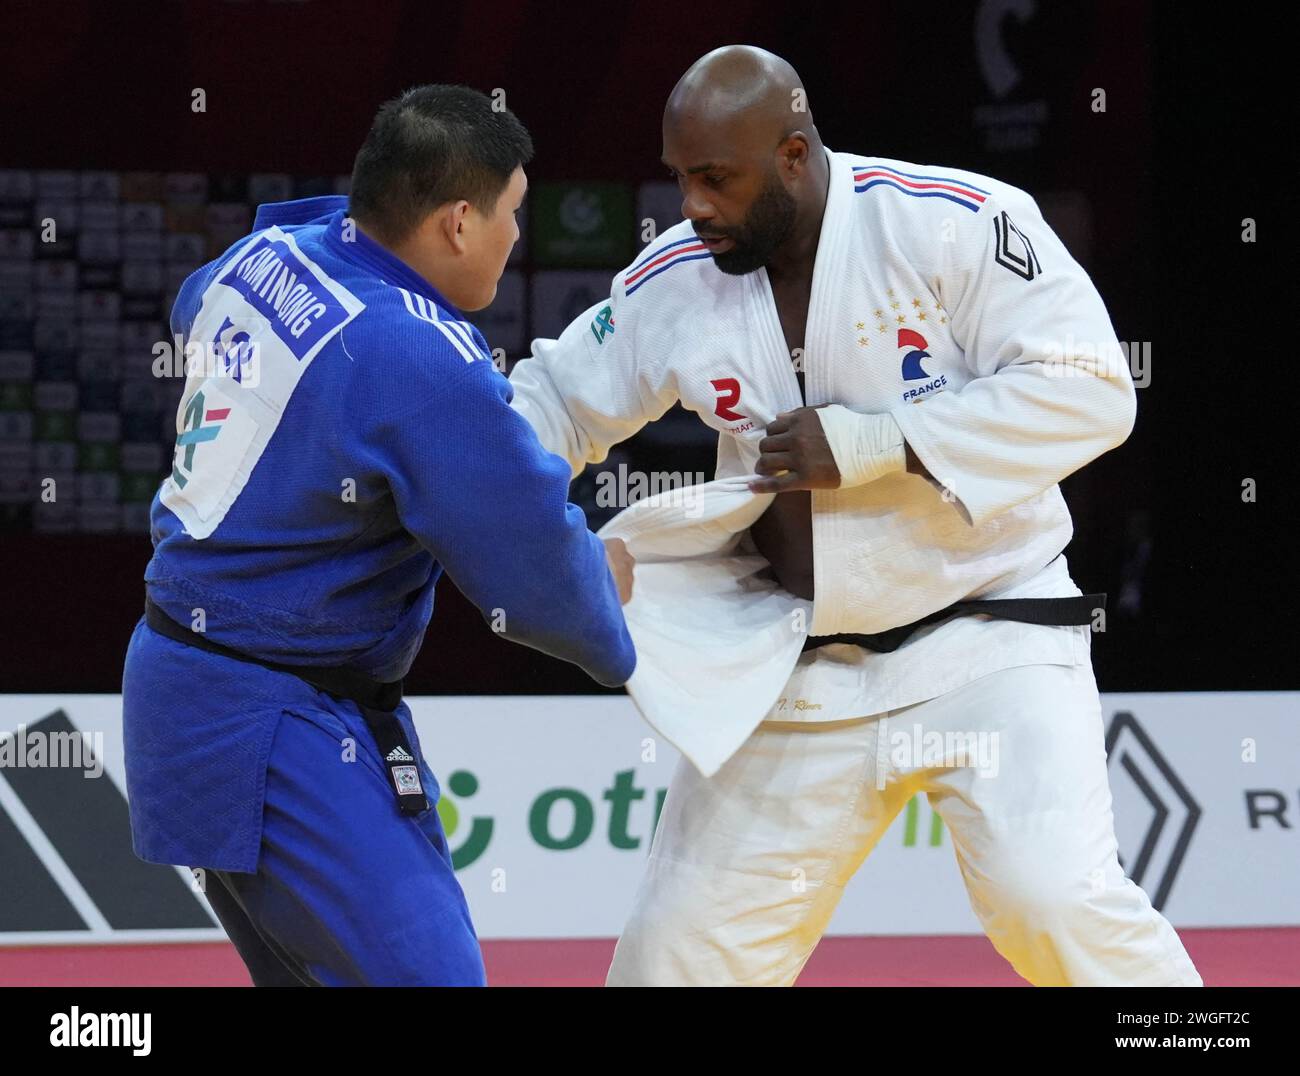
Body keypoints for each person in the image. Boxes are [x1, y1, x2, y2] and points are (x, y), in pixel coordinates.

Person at [508, 46, 1201, 986]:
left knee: (1057, 902)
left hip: (988, 635)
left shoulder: (956, 225)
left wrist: (879, 445)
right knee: (674, 958)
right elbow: (555, 402)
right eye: (681, 179)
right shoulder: (677, 276)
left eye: (716, 178)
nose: (694, 205)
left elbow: (1092, 391)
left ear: (794, 154)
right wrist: (463, 481)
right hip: (802, 665)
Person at [121, 84, 635, 986]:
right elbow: (538, 580)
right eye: (514, 215)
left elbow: (194, 306)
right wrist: (609, 583)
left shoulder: (267, 253)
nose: (520, 240)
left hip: (186, 686)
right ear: (459, 222)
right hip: (275, 724)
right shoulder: (414, 357)